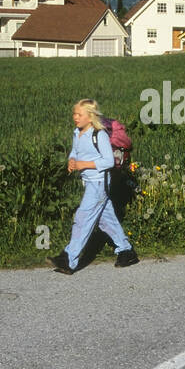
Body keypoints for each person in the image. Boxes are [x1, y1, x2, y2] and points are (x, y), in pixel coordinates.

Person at [47, 99, 140, 274]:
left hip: (99, 183)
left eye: (79, 114)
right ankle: (126, 252)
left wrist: (83, 164)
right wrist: (72, 160)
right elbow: (75, 151)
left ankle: (68, 259)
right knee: (106, 220)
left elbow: (108, 161)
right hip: (89, 181)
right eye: (74, 113)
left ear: (90, 117)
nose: (75, 117)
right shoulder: (77, 132)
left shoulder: (99, 134)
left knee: (82, 217)